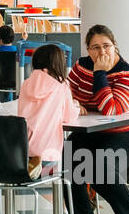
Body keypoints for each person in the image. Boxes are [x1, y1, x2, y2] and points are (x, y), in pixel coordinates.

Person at [66, 24, 129, 214]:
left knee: (98, 167)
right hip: (92, 132)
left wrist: (100, 74)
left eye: (106, 46)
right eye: (95, 48)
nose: (101, 52)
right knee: (68, 158)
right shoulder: (80, 67)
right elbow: (66, 92)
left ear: (115, 46)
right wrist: (74, 102)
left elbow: (111, 110)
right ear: (87, 50)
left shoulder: (128, 74)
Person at [17, 44, 81, 177]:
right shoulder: (61, 85)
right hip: (49, 152)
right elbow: (68, 116)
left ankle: (33, 161)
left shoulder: (26, 84)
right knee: (68, 163)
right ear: (59, 64)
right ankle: (39, 162)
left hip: (21, 150)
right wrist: (77, 107)